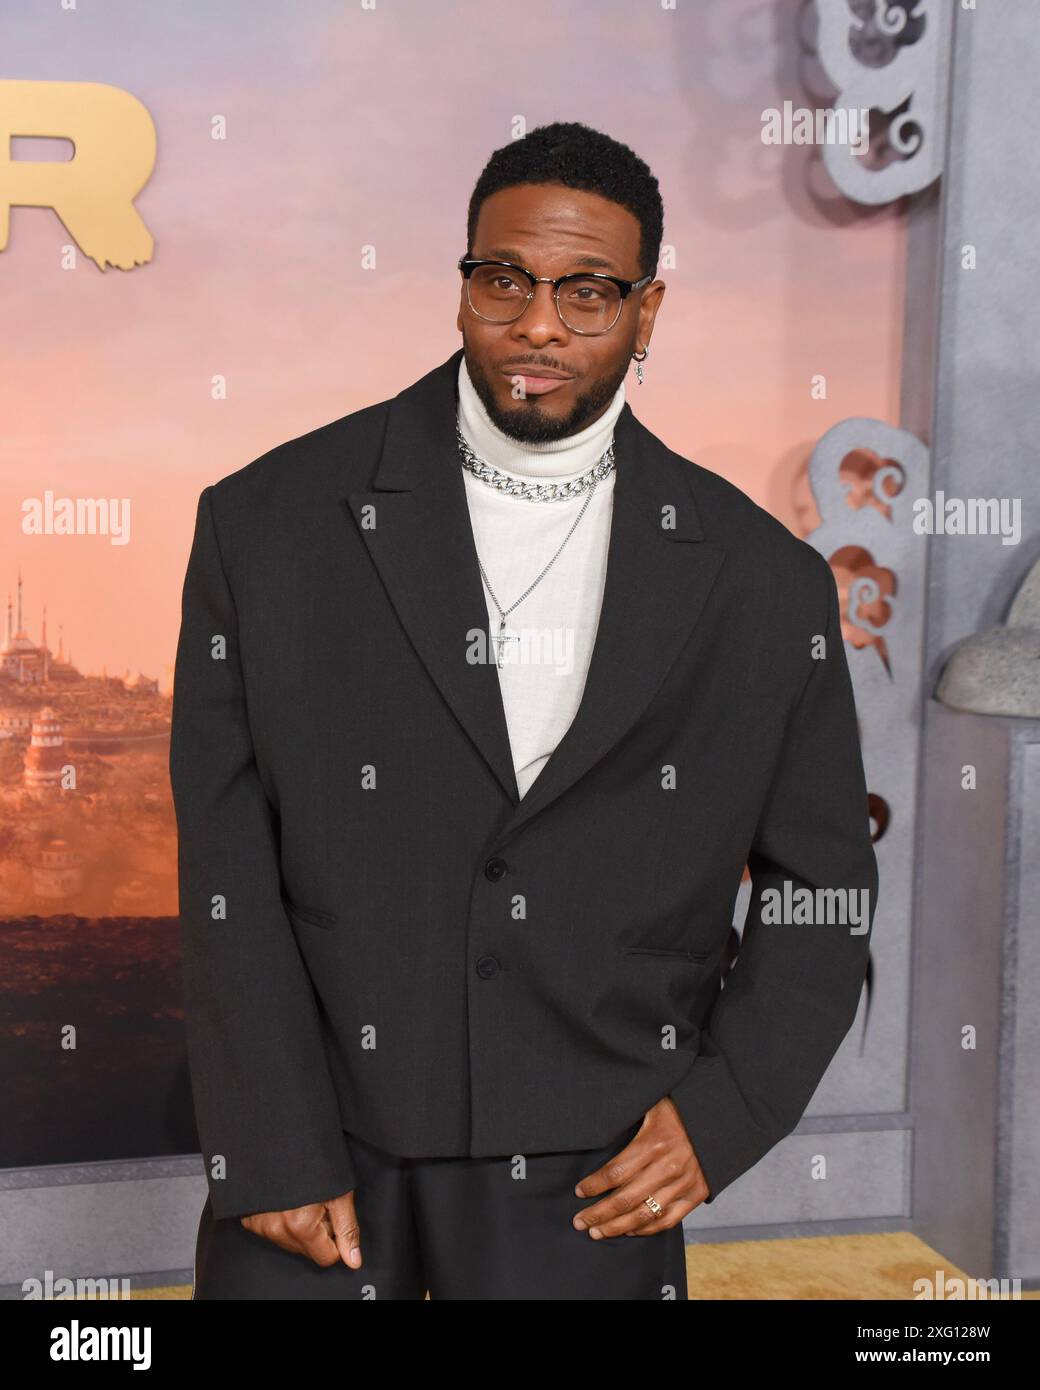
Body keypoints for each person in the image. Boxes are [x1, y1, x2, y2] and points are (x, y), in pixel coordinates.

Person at [170, 121, 878, 1301]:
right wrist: (266, 1142)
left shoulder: (763, 582)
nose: (538, 324)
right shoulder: (266, 522)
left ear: (646, 312)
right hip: (317, 1147)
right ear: (462, 286)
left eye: (586, 292)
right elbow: (225, 860)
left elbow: (823, 883)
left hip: (593, 1167)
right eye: (504, 280)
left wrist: (726, 1109)